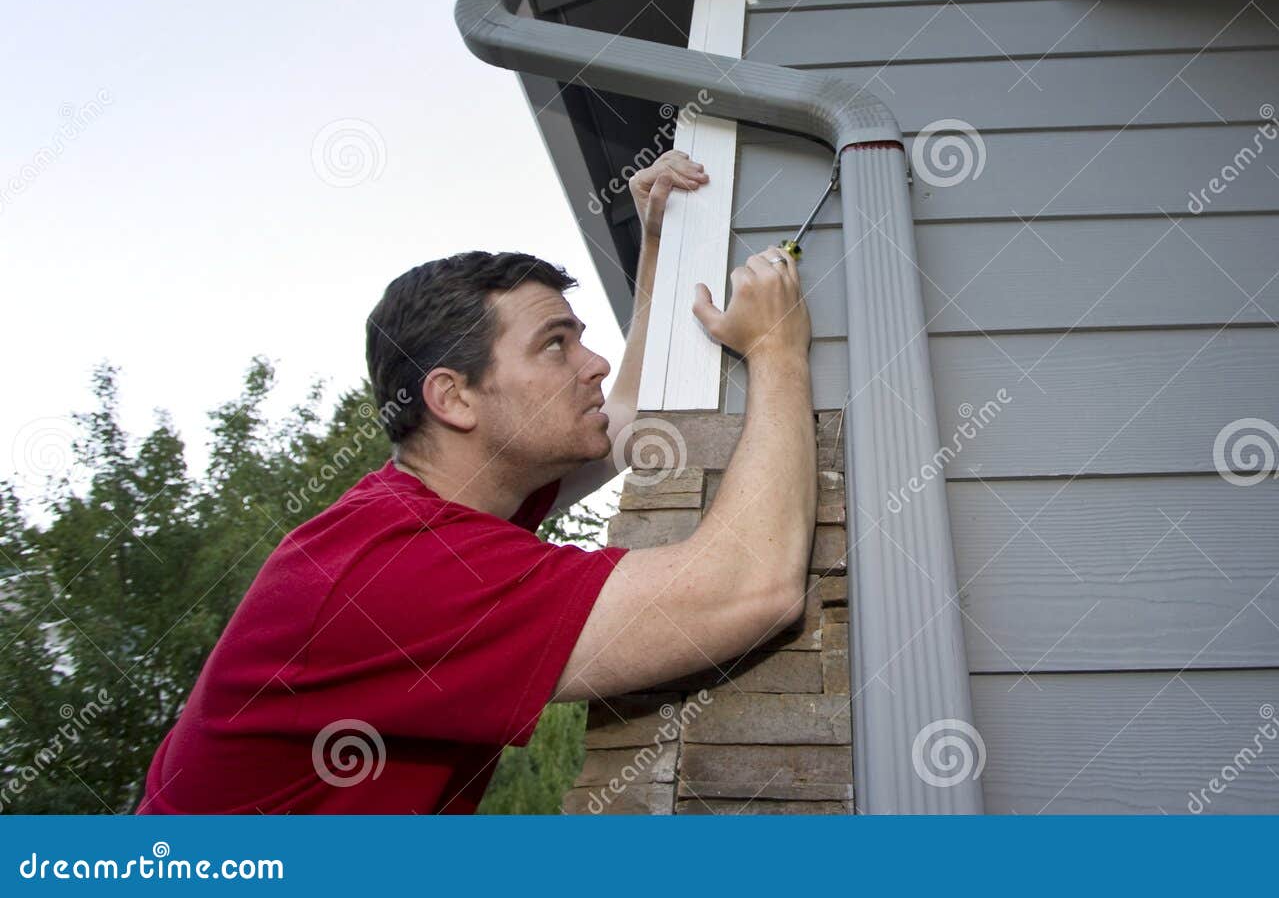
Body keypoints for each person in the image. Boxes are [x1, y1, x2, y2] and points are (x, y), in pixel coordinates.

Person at [136, 149, 817, 813]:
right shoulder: (395, 571)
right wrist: (777, 347)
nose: (595, 362)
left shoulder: (455, 506)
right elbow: (749, 586)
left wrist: (662, 245)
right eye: (556, 344)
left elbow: (629, 413)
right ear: (454, 398)